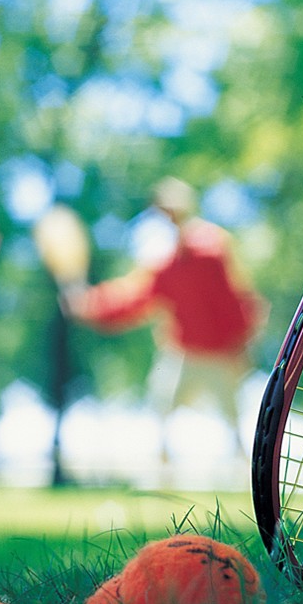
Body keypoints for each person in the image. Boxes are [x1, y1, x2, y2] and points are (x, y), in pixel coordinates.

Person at [63, 178, 266, 478]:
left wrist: (242, 343)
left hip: (220, 354)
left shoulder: (211, 250)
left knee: (233, 418)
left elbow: (236, 299)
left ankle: (248, 475)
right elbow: (134, 299)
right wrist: (91, 306)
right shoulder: (168, 264)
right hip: (184, 353)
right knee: (161, 408)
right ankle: (160, 473)